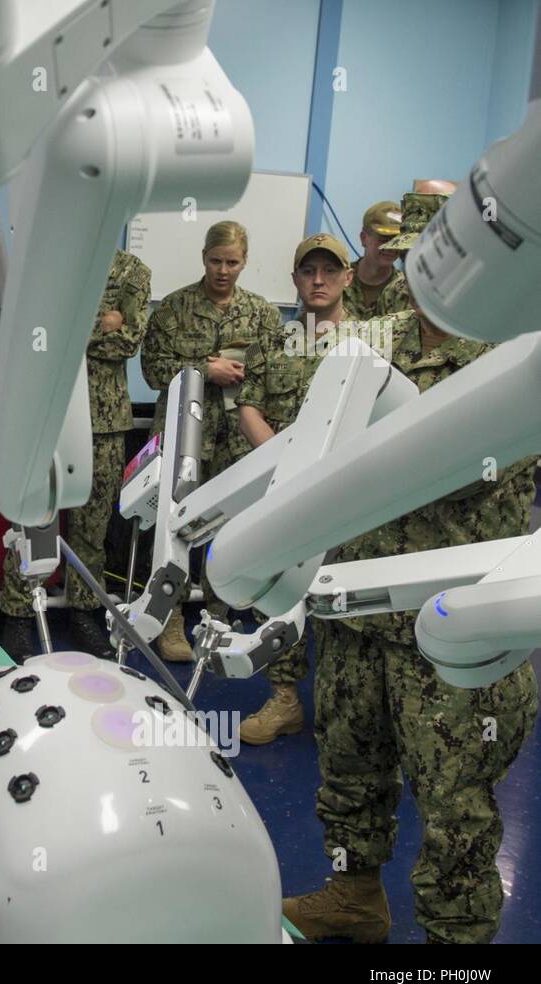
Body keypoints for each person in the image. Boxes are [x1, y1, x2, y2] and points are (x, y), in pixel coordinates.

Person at [283, 193, 538, 944]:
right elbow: (317, 443)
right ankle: (353, 895)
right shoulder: (361, 343)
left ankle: (454, 953)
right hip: (360, 606)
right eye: (417, 257)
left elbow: (473, 468)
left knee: (456, 804)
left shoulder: (515, 358)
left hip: (452, 625)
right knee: (349, 771)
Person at [0, 249, 151, 662]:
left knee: (93, 525)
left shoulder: (132, 271)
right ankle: (18, 613)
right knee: (32, 518)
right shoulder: (46, 257)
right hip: (46, 411)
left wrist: (70, 332)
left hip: (104, 419)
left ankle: (84, 612)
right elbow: (32, 333)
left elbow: (128, 341)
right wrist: (99, 323)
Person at [140, 220, 281, 661]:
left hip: (238, 442)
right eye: (216, 261)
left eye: (232, 263)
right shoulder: (174, 308)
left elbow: (274, 374)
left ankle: (222, 616)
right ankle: (172, 619)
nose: (223, 270)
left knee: (231, 527)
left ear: (245, 263)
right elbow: (152, 370)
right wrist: (204, 368)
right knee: (176, 527)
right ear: (204, 258)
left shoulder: (262, 313)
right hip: (186, 439)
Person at [236, 233, 355, 744]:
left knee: (344, 600)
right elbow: (248, 408)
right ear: (296, 280)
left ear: (347, 278)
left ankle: (346, 711)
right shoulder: (273, 341)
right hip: (286, 488)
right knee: (282, 594)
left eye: (330, 271)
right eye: (309, 271)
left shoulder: (369, 344)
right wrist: (290, 465)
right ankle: (285, 700)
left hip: (349, 491)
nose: (319, 280)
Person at [341, 201, 410, 319]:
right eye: (384, 239)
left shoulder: (406, 291)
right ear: (364, 238)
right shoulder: (337, 281)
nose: (391, 247)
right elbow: (311, 322)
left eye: (397, 240)